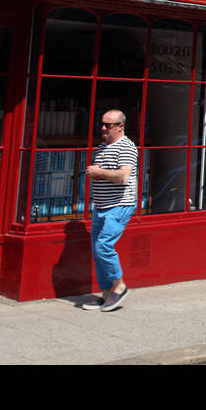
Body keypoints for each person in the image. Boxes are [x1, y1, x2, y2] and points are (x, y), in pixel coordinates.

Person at [83, 109, 137, 311]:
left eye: (109, 125)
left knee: (104, 246)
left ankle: (119, 286)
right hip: (101, 205)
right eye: (102, 124)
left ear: (120, 126)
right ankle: (106, 294)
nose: (104, 128)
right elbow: (106, 172)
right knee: (98, 250)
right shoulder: (103, 146)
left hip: (119, 205)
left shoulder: (127, 147)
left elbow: (122, 176)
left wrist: (99, 172)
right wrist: (95, 173)